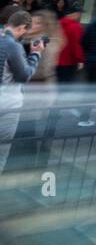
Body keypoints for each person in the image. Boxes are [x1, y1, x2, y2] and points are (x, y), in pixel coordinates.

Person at [0, 10, 42, 176]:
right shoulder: (13, 46)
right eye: (26, 30)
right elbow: (24, 75)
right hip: (7, 104)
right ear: (23, 27)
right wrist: (35, 54)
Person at [55, 6, 84, 85]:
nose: (80, 16)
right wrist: (79, 60)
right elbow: (76, 45)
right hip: (69, 61)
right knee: (65, 84)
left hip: (54, 59)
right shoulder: (76, 27)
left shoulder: (57, 24)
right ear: (76, 14)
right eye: (79, 14)